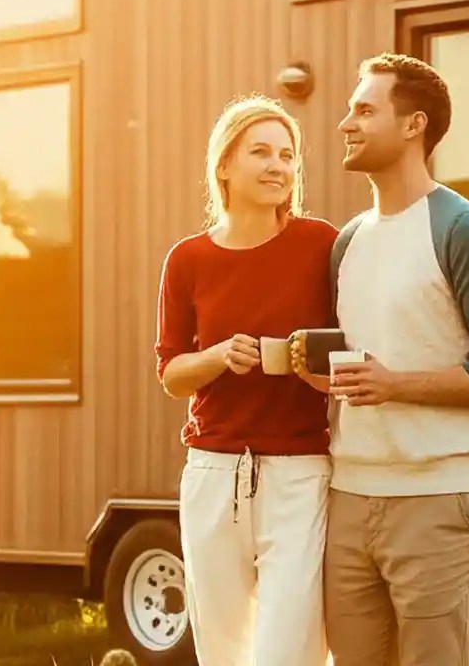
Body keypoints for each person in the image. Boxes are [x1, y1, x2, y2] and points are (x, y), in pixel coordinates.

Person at [320, 52, 469, 664]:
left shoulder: (468, 230)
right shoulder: (348, 241)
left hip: (437, 501)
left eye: (364, 110)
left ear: (413, 125)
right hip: (348, 498)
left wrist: (395, 385)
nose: (345, 123)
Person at [154, 94, 337, 665]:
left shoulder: (321, 245)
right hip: (213, 473)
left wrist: (315, 367)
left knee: (292, 648)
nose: (278, 165)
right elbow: (171, 374)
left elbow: (354, 345)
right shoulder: (187, 259)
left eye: (287, 154)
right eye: (261, 152)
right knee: (223, 650)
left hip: (300, 473)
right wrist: (215, 357)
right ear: (225, 164)